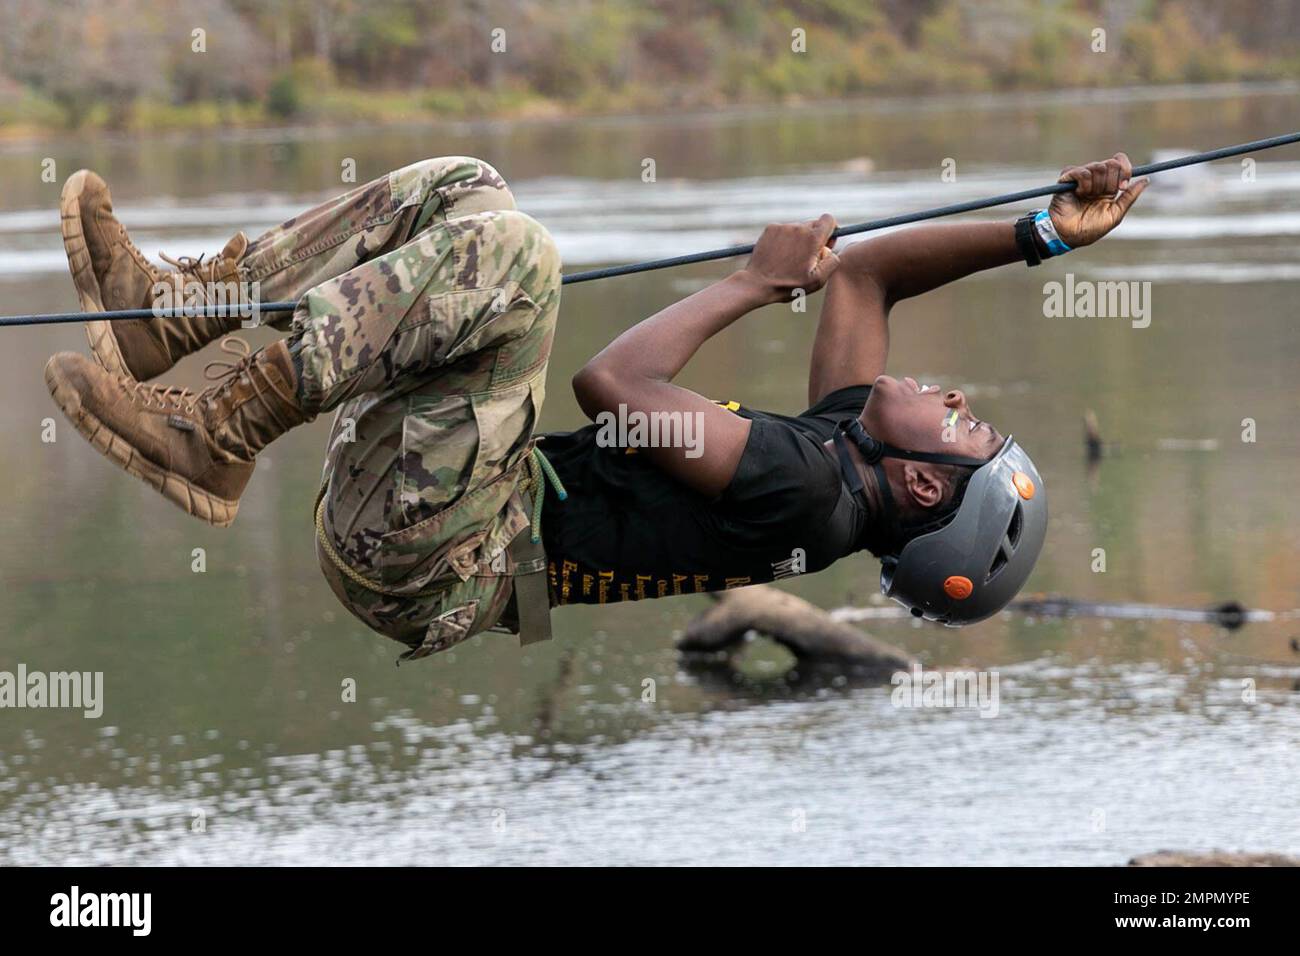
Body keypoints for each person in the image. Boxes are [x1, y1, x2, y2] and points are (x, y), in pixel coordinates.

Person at [45, 153, 1146, 662]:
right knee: (468, 190)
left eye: (965, 424)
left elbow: (611, 388)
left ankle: (217, 434)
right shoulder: (845, 449)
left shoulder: (807, 490)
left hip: (442, 554)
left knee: (518, 261)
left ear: (918, 485)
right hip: (439, 523)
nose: (955, 397)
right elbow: (864, 278)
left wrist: (754, 284)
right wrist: (1042, 233)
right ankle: (182, 314)